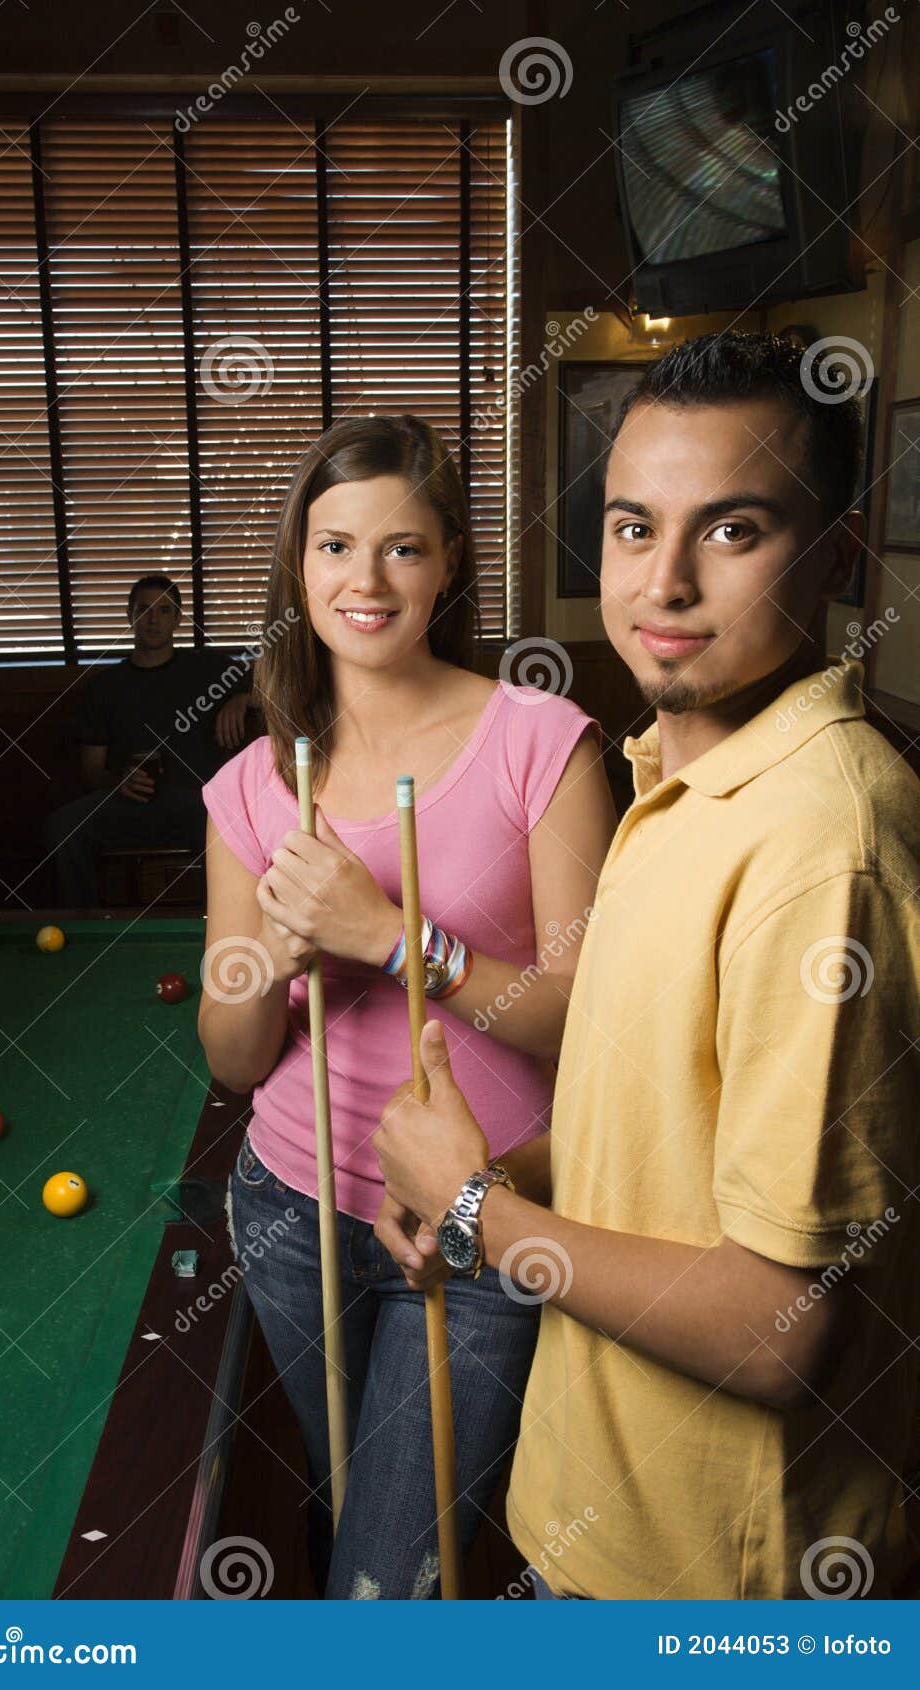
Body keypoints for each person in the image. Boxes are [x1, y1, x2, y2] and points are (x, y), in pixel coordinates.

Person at [374, 331, 920, 1600]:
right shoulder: (663, 780)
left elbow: (779, 1329)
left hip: (712, 1586)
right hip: (598, 1523)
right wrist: (493, 1175)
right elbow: (667, 1136)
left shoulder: (818, 841)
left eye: (731, 532)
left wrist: (476, 1212)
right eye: (632, 527)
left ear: (834, 557)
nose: (662, 582)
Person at [199, 413, 617, 1599]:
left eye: (401, 548)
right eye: (333, 547)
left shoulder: (541, 739)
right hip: (288, 1206)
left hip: (481, 1214)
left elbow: (584, 1012)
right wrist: (278, 951)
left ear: (448, 565)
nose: (364, 580)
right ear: (297, 566)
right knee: (359, 1525)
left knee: (390, 1581)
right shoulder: (251, 782)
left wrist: (388, 937)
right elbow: (233, 1059)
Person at [44, 574, 252, 906]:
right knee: (63, 826)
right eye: (143, 610)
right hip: (128, 805)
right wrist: (117, 781)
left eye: (164, 610)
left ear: (178, 620)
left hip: (198, 804)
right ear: (130, 617)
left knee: (234, 822)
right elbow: (91, 769)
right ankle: (87, 929)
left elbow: (273, 682)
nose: (153, 619)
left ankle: (224, 927)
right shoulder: (104, 686)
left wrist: (243, 699)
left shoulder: (208, 668)